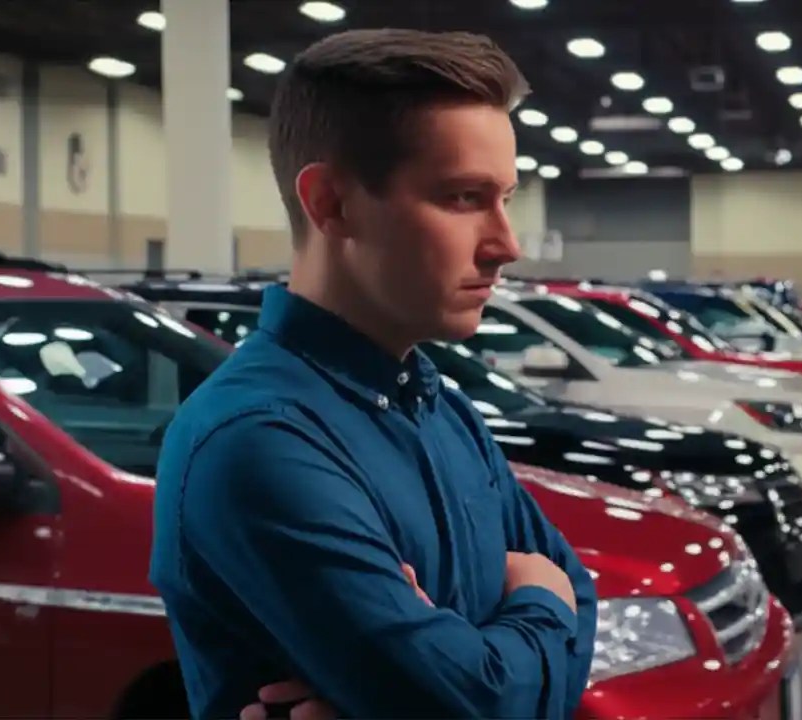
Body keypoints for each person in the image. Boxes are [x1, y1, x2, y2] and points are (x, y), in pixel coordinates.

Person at [149, 28, 597, 720]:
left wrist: (469, 660)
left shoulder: (441, 408)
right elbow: (478, 703)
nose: (507, 244)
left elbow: (579, 596)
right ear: (330, 203)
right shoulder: (258, 442)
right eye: (462, 198)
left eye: (505, 197)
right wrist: (539, 602)